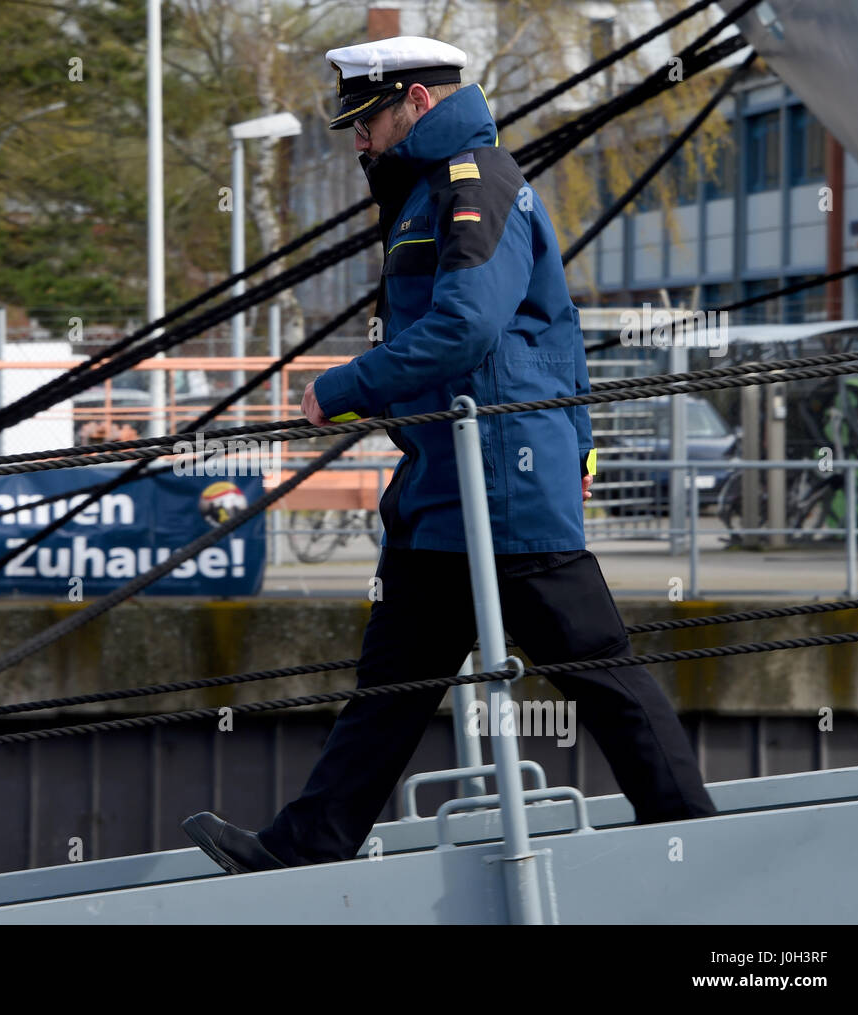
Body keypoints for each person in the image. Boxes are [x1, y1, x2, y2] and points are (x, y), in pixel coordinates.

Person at [182, 36, 717, 874]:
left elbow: (469, 325)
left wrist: (350, 382)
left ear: (418, 103)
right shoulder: (435, 190)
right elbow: (550, 340)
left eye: (368, 120)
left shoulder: (475, 183)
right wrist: (576, 442)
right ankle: (300, 849)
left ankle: (693, 835)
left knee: (601, 675)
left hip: (502, 484)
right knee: (391, 691)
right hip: (448, 489)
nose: (358, 139)